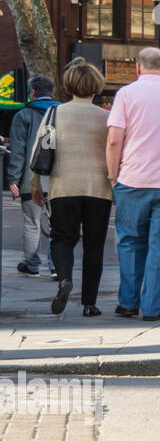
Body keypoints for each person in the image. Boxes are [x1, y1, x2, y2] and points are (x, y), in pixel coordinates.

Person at [106, 47, 160, 321]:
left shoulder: (126, 95)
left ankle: (128, 302)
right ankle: (152, 308)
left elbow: (115, 139)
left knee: (129, 242)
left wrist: (112, 174)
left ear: (138, 67)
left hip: (132, 179)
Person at [34, 59, 112, 316]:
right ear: (96, 87)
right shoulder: (107, 118)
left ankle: (65, 278)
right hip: (98, 189)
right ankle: (89, 303)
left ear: (68, 86)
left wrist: (37, 186)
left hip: (63, 186)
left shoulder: (53, 113)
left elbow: (40, 152)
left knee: (62, 240)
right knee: (94, 245)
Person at [6, 75, 57, 278]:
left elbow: (18, 151)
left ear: (33, 92)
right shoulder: (62, 112)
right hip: (58, 179)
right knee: (57, 225)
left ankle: (32, 263)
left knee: (31, 222)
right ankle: (56, 266)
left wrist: (13, 179)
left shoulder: (23, 115)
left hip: (31, 179)